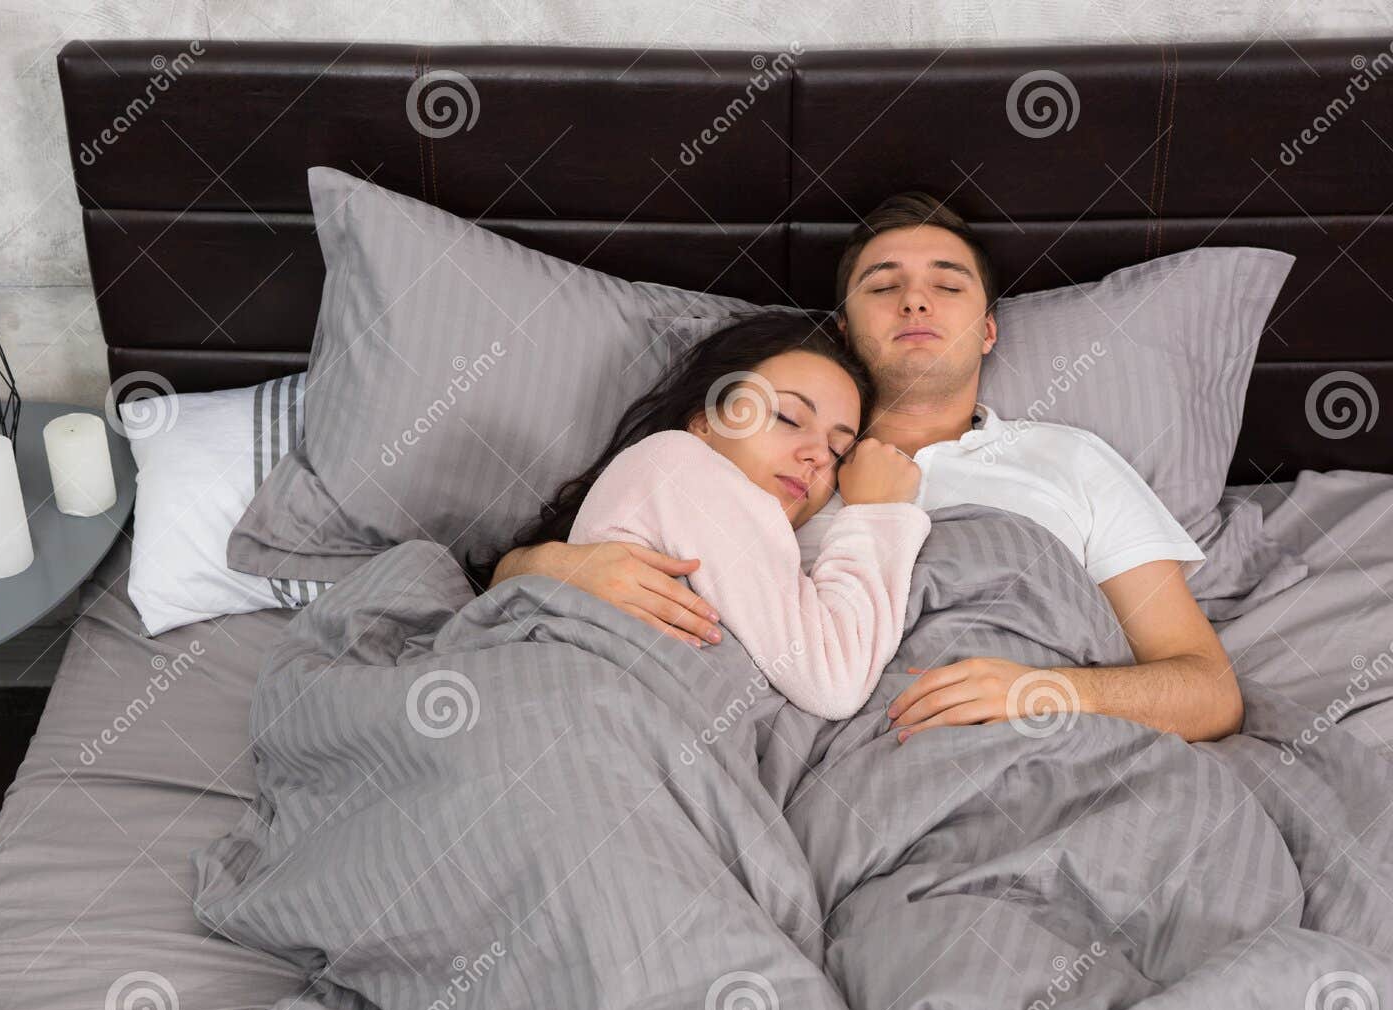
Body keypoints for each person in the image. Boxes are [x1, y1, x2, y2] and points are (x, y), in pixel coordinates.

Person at [489, 193, 1243, 743]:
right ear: (844, 330)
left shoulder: (1069, 460)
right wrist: (550, 567)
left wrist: (1041, 691)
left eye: (948, 284)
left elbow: (1208, 691)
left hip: (1060, 741)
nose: (916, 298)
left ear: (987, 330)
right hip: (839, 767)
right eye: (883, 285)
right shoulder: (783, 470)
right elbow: (639, 528)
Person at [538, 312, 929, 719]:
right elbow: (834, 681)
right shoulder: (678, 462)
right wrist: (877, 514)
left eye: (837, 451)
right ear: (705, 421)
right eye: (788, 418)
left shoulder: (766, 551)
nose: (816, 453)